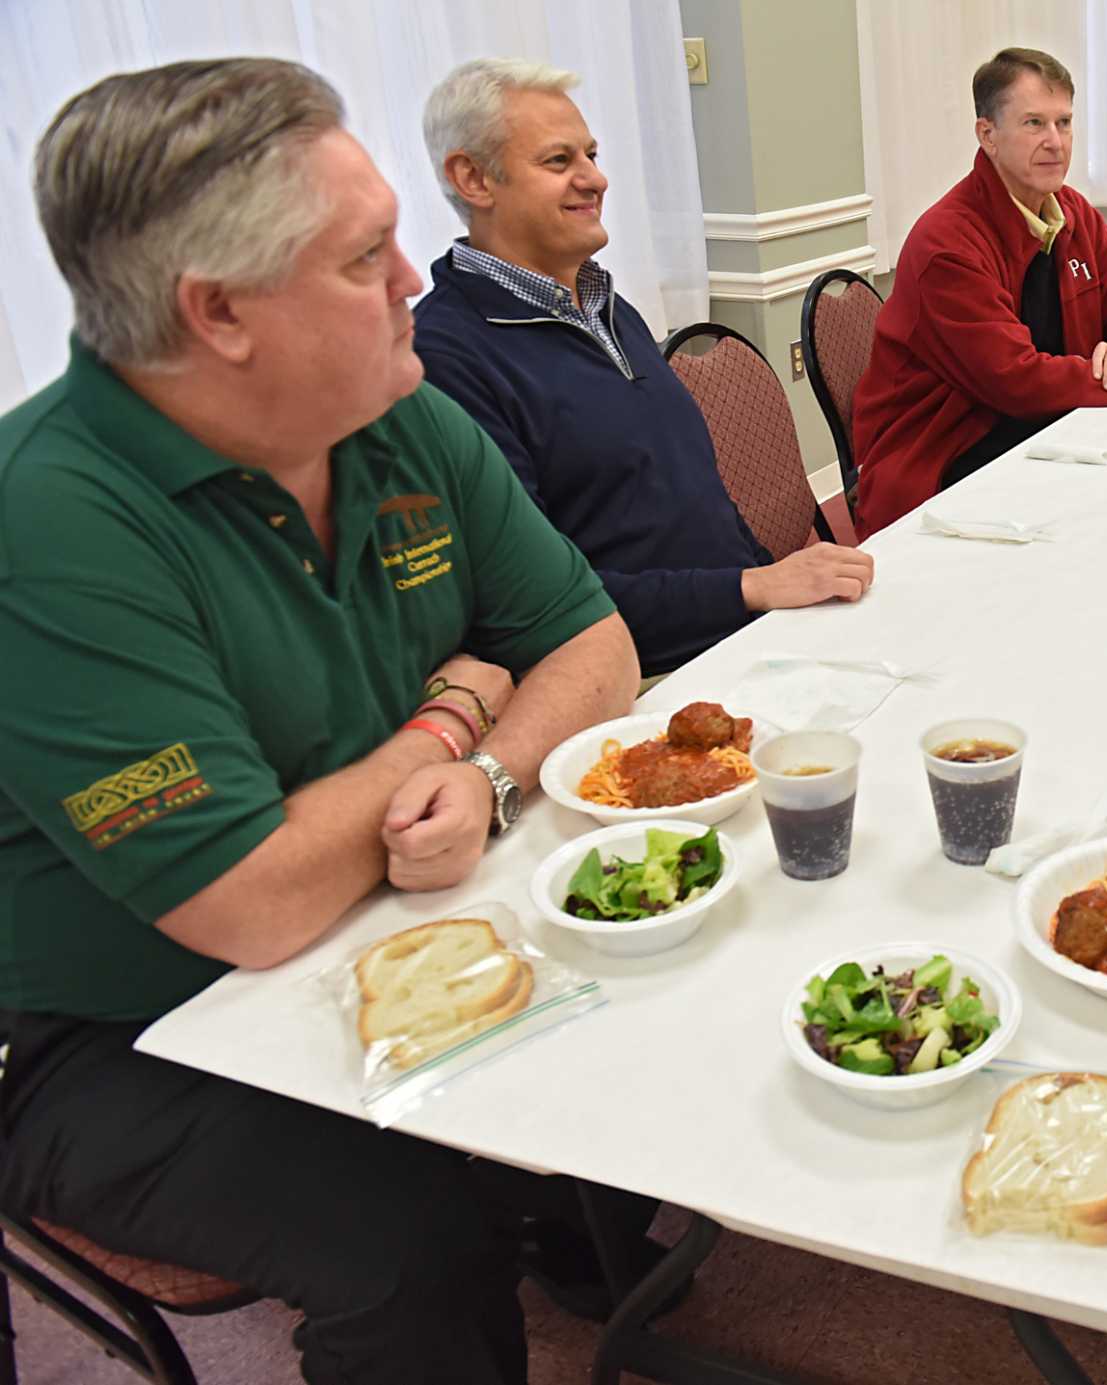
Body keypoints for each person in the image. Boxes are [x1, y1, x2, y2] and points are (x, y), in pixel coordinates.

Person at [0, 59, 646, 1384]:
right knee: (410, 1243)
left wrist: (495, 779)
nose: (416, 280)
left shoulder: (393, 408)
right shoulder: (53, 520)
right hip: (99, 1033)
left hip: (374, 919)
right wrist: (450, 720)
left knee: (667, 974)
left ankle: (593, 1235)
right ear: (219, 312)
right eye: (366, 257)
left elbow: (594, 649)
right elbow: (252, 904)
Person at [414, 60, 874, 679]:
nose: (595, 179)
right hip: (636, 678)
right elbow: (532, 602)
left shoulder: (605, 305)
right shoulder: (446, 357)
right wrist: (752, 588)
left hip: (738, 634)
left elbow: (697, 493)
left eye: (593, 155)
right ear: (472, 178)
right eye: (558, 162)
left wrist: (767, 586)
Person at [851, 47, 1107, 535]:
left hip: (1050, 429)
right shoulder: (947, 245)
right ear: (987, 135)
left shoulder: (1071, 210)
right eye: (1034, 123)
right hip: (945, 462)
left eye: (1065, 122)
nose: (1055, 142)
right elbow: (1018, 382)